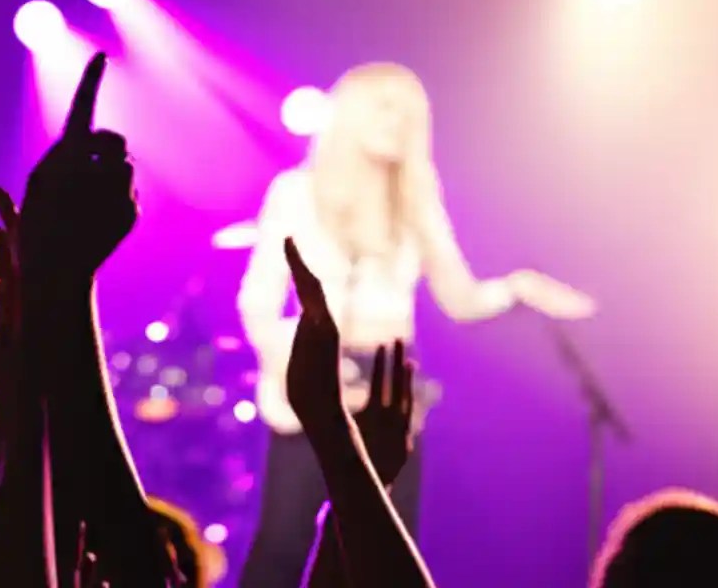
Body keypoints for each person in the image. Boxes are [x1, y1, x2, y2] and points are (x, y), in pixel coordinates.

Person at [236, 62, 595, 586]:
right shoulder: (296, 192)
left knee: (385, 543)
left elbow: (460, 298)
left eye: (408, 114)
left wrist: (517, 288)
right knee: (285, 542)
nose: (396, 122)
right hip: (316, 378)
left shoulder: (417, 202)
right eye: (384, 108)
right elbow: (257, 300)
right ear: (352, 114)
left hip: (388, 383)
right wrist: (295, 362)